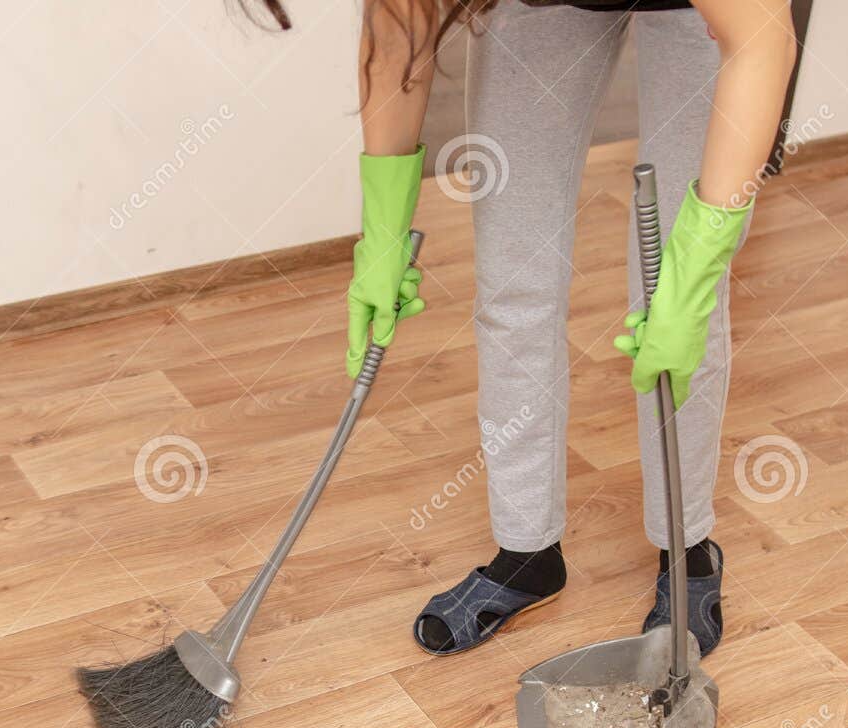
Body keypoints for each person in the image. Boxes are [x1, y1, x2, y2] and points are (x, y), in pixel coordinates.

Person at [331, 0, 796, 655]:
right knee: (511, 276)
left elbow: (761, 41)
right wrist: (382, 233)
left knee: (674, 294)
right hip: (541, 7)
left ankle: (687, 547)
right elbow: (398, 28)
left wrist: (695, 270)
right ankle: (527, 553)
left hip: (714, 16)